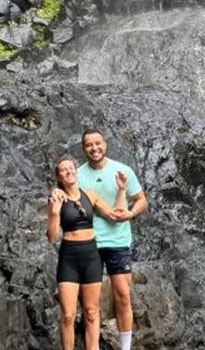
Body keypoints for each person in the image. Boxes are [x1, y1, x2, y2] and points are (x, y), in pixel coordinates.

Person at [53, 130, 147, 350]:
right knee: (88, 308)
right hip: (89, 244)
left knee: (122, 294)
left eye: (98, 143)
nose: (94, 148)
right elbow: (63, 187)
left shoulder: (123, 170)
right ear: (83, 148)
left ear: (105, 144)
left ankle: (125, 347)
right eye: (89, 145)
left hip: (117, 241)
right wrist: (55, 193)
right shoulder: (77, 173)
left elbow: (140, 200)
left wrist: (131, 212)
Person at [47, 156, 130, 350]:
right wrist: (55, 213)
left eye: (71, 168)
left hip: (91, 256)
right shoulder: (56, 199)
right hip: (69, 258)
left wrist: (122, 190)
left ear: (76, 171)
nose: (69, 171)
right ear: (59, 177)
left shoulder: (90, 195)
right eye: (64, 170)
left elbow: (114, 215)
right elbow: (52, 237)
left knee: (91, 312)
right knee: (68, 314)